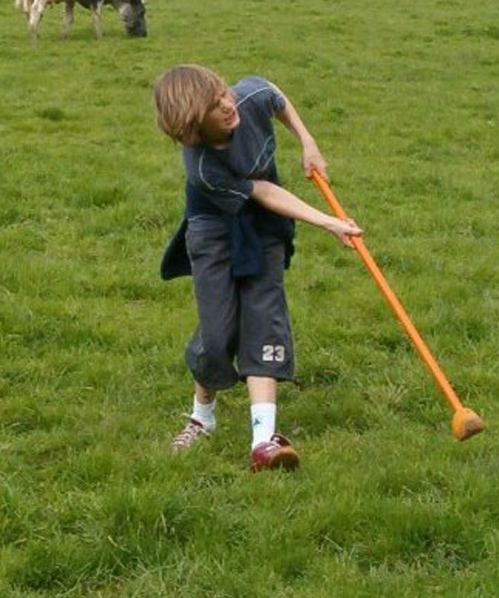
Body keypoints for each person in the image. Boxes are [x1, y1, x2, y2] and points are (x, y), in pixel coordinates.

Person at [151, 64, 362, 472]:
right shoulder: (202, 166)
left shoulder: (246, 97)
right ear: (193, 126)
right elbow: (262, 190)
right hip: (213, 231)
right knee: (217, 333)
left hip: (265, 227)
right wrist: (327, 222)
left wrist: (308, 143)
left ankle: (263, 442)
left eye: (223, 93)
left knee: (264, 318)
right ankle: (202, 418)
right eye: (215, 106)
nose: (228, 104)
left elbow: (273, 93)